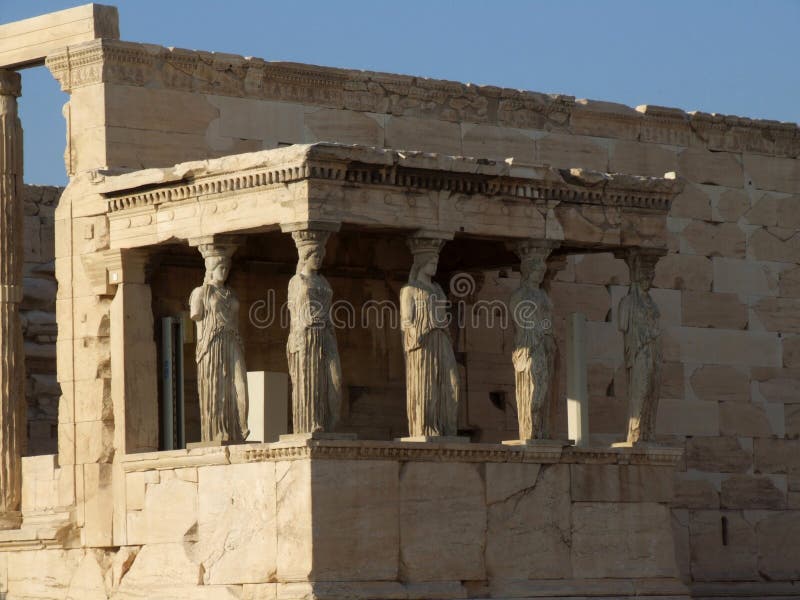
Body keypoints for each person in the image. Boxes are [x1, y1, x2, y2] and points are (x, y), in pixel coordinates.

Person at [400, 239, 460, 437]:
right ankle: (426, 427)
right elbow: (406, 320)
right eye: (431, 262)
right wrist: (416, 334)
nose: (434, 266)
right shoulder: (409, 290)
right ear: (422, 263)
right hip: (423, 341)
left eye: (436, 262)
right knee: (426, 384)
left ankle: (447, 427)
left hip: (442, 338)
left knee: (452, 382)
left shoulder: (438, 289)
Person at [189, 244, 249, 442]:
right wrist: (202, 348)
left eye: (226, 268)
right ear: (211, 268)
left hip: (232, 339)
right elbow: (197, 319)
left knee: (240, 383)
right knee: (218, 387)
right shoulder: (200, 292)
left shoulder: (231, 294)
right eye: (221, 267)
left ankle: (240, 427)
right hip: (213, 342)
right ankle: (218, 430)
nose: (224, 271)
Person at [287, 231, 342, 433]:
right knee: (310, 380)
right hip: (306, 334)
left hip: (326, 333)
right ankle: (312, 422)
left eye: (320, 256)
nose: (318, 259)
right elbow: (294, 311)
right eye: (315, 255)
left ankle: (331, 421)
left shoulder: (324, 281)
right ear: (305, 256)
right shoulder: (297, 281)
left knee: (335, 379)